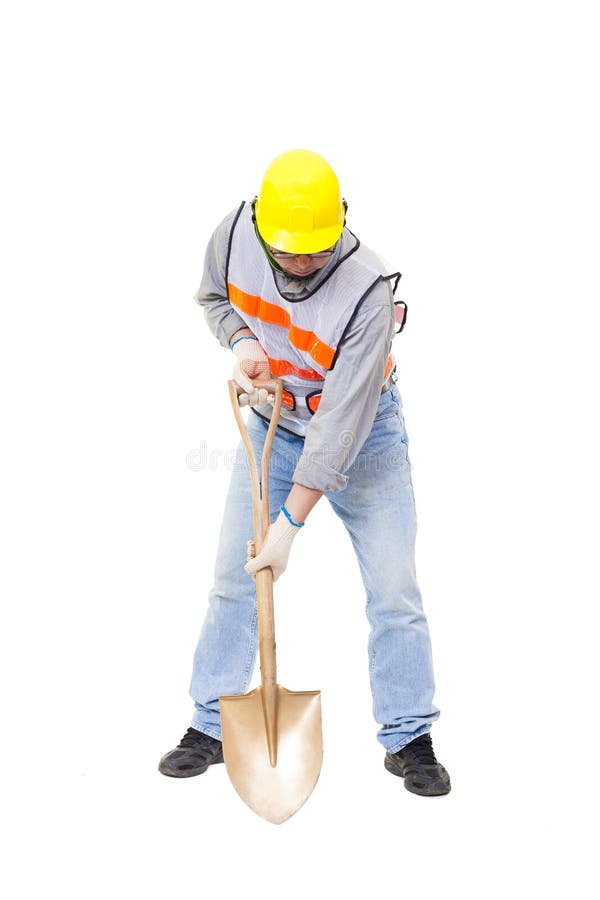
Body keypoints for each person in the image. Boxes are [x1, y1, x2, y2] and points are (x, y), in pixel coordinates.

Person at [159, 149, 451, 796]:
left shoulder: (368, 289)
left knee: (394, 588)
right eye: (287, 250)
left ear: (340, 223)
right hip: (273, 422)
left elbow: (342, 427)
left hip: (364, 434)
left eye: (314, 251)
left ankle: (408, 737)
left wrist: (290, 523)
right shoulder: (235, 233)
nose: (299, 263)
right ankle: (210, 722)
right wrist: (245, 346)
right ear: (262, 223)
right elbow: (214, 298)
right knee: (233, 579)